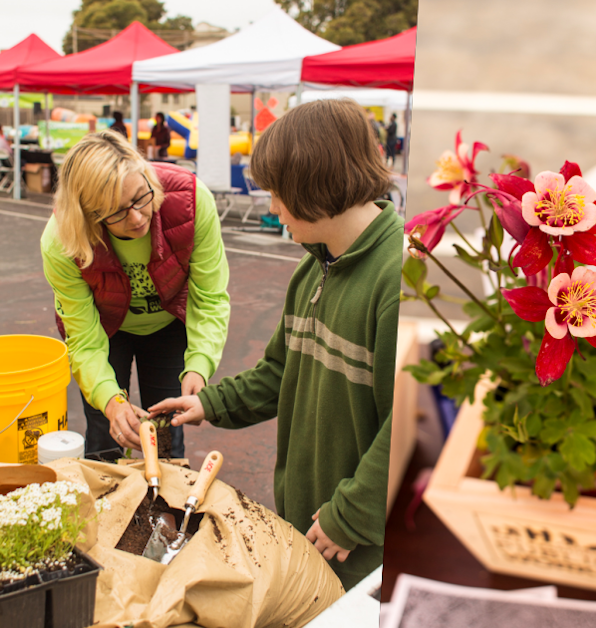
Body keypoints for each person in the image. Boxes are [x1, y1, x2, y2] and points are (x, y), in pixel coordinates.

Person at [149, 98, 400, 589]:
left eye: (278, 193)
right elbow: (279, 371)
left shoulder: (398, 277)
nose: (273, 208)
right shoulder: (314, 266)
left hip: (356, 541)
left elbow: (410, 426)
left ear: (316, 183)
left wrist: (351, 516)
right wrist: (208, 404)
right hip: (307, 519)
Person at [41, 130, 230, 461]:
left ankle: (170, 505)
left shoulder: (190, 201)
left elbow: (210, 298)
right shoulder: (61, 241)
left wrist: (199, 366)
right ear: (89, 215)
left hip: (169, 324)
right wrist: (111, 400)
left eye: (141, 197)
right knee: (105, 428)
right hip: (105, 328)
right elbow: (84, 339)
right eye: (116, 212)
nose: (138, 217)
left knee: (168, 430)